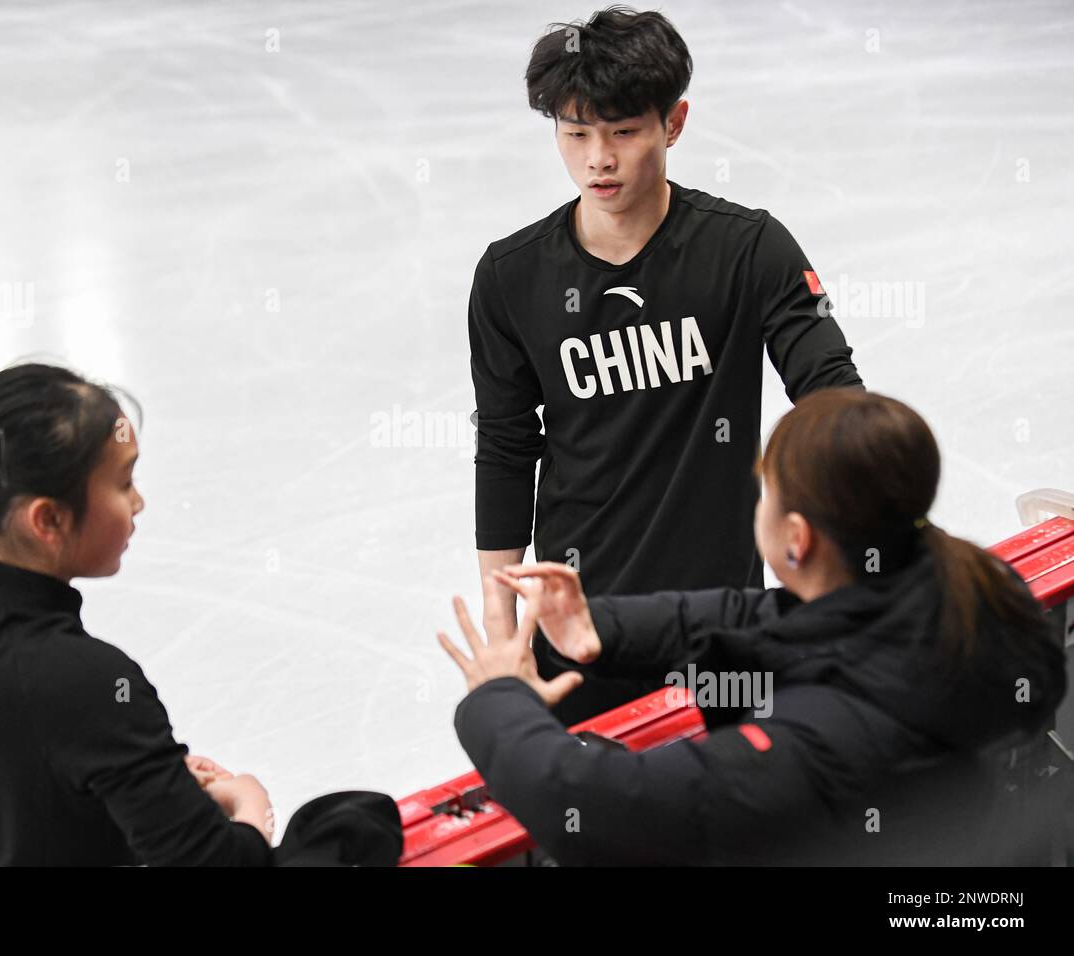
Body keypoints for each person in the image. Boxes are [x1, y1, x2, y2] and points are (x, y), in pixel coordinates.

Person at [440, 388, 1067, 864]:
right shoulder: (972, 589)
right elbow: (776, 622)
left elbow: (599, 806)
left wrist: (499, 700)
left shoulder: (817, 741)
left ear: (795, 538)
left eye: (765, 492)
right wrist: (600, 631)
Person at [469, 6, 864, 725]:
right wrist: (505, 633)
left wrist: (863, 554)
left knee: (746, 822)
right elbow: (504, 447)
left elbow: (832, 398)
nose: (599, 159)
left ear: (673, 123)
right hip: (573, 622)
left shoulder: (748, 250)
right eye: (576, 133)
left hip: (724, 624)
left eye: (624, 132)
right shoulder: (511, 277)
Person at [0, 362, 273, 865]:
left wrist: (148, 776)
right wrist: (250, 804)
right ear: (48, 519)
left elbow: (14, 770)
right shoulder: (88, 680)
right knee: (344, 826)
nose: (138, 502)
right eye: (123, 483)